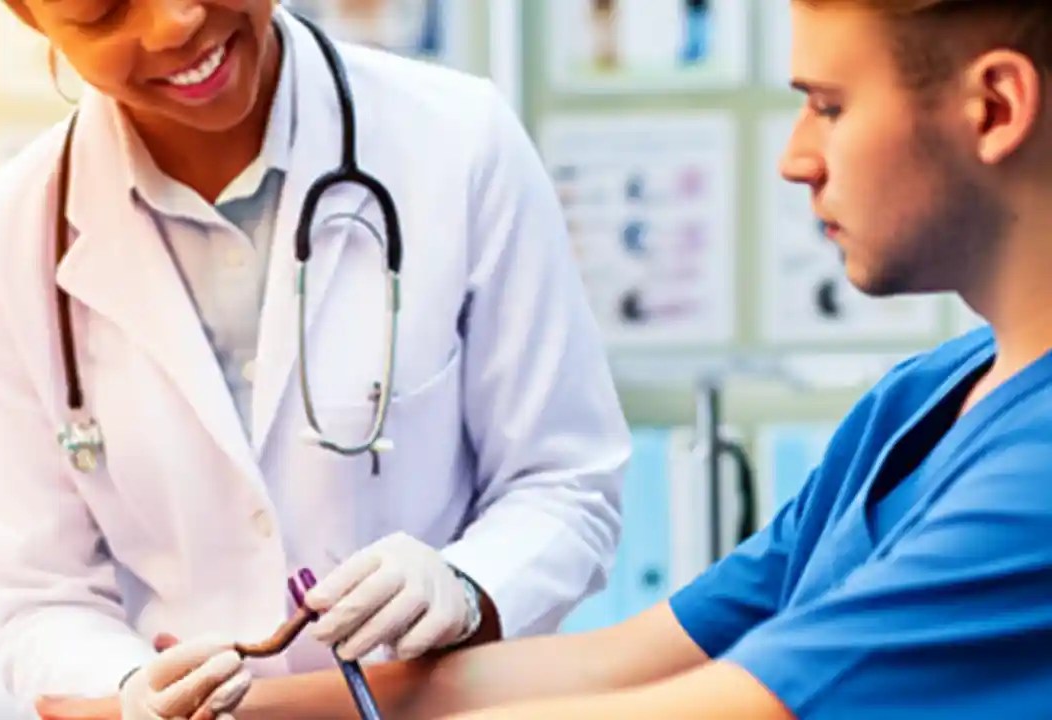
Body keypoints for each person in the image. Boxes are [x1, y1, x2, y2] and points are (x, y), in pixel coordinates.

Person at [58, 0, 1052, 717]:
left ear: (995, 108)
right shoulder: (916, 405)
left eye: (827, 105)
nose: (794, 158)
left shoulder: (1035, 464)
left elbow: (715, 707)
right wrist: (214, 706)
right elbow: (628, 661)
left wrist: (459, 589)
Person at [0, 0, 631, 716]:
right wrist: (131, 689)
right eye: (104, 9)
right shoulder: (3, 236)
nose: (175, 22)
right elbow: (37, 590)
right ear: (32, 18)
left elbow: (566, 481)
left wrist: (467, 586)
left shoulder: (457, 141)